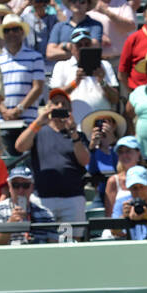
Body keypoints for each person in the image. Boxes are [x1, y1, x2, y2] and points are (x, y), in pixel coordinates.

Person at [15, 88, 90, 229]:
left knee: (71, 243)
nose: (60, 106)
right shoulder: (38, 131)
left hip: (72, 198)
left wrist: (73, 134)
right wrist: (38, 121)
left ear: (70, 109)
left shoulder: (78, 135)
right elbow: (19, 146)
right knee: (43, 241)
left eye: (64, 104)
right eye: (56, 103)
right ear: (48, 108)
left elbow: (85, 160)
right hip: (44, 198)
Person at [0, 163, 58, 244]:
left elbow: (53, 246)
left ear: (32, 187)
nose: (21, 190)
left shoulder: (45, 214)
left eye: (25, 185)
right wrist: (10, 224)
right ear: (9, 187)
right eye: (16, 185)